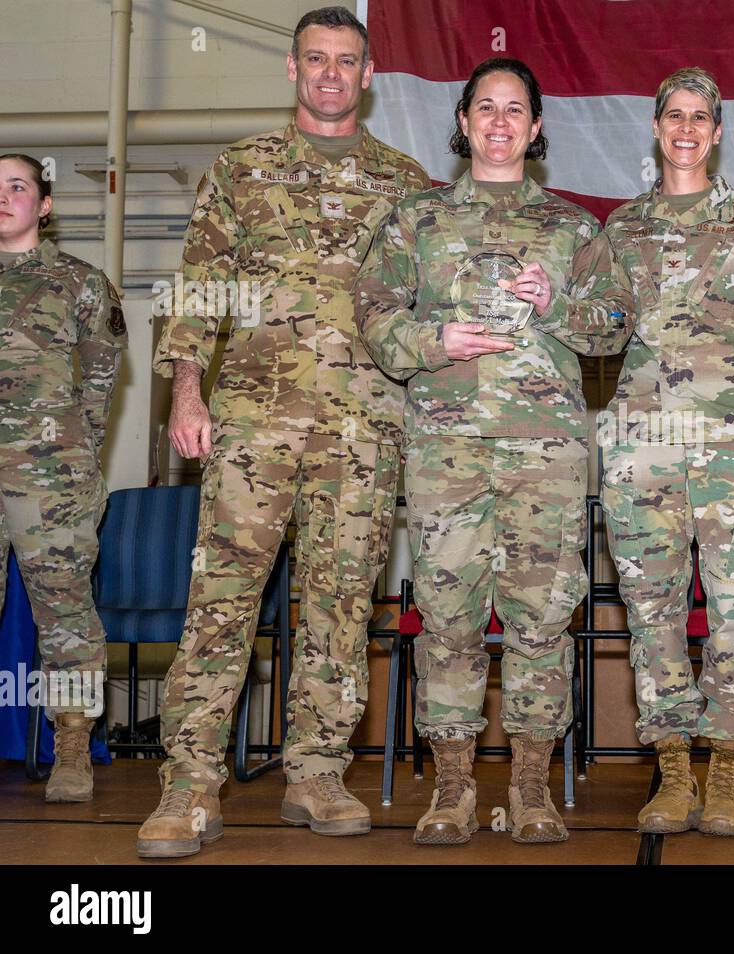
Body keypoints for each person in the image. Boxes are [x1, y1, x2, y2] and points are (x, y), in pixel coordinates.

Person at [136, 7, 429, 859]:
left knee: (340, 610)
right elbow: (199, 287)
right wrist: (185, 396)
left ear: (368, 76)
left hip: (365, 429)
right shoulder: (242, 168)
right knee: (221, 605)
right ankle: (188, 789)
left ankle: (316, 774)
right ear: (293, 69)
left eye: (346, 61)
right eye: (316, 60)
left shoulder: (405, 181)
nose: (331, 74)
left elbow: (422, 310)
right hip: (252, 427)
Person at [356, 57, 631, 846]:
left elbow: (614, 325)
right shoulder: (418, 220)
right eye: (487, 107)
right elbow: (373, 311)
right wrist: (430, 337)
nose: (501, 122)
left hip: (543, 460)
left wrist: (560, 304)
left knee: (542, 620)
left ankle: (533, 788)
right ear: (465, 122)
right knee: (448, 620)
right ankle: (451, 789)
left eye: (517, 109)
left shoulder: (577, 229)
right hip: (447, 456)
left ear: (536, 127)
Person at [598, 68, 734, 837]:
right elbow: (596, 339)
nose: (686, 129)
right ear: (656, 130)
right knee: (651, 612)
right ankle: (674, 773)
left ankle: (726, 771)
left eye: (701, 118)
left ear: (717, 133)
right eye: (674, 117)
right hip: (643, 447)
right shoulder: (618, 231)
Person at [0, 153, 125, 803]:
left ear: (43, 205)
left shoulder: (80, 283)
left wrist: (78, 455)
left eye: (17, 186)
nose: (3, 197)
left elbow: (104, 376)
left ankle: (72, 747)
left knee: (66, 616)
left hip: (50, 476)